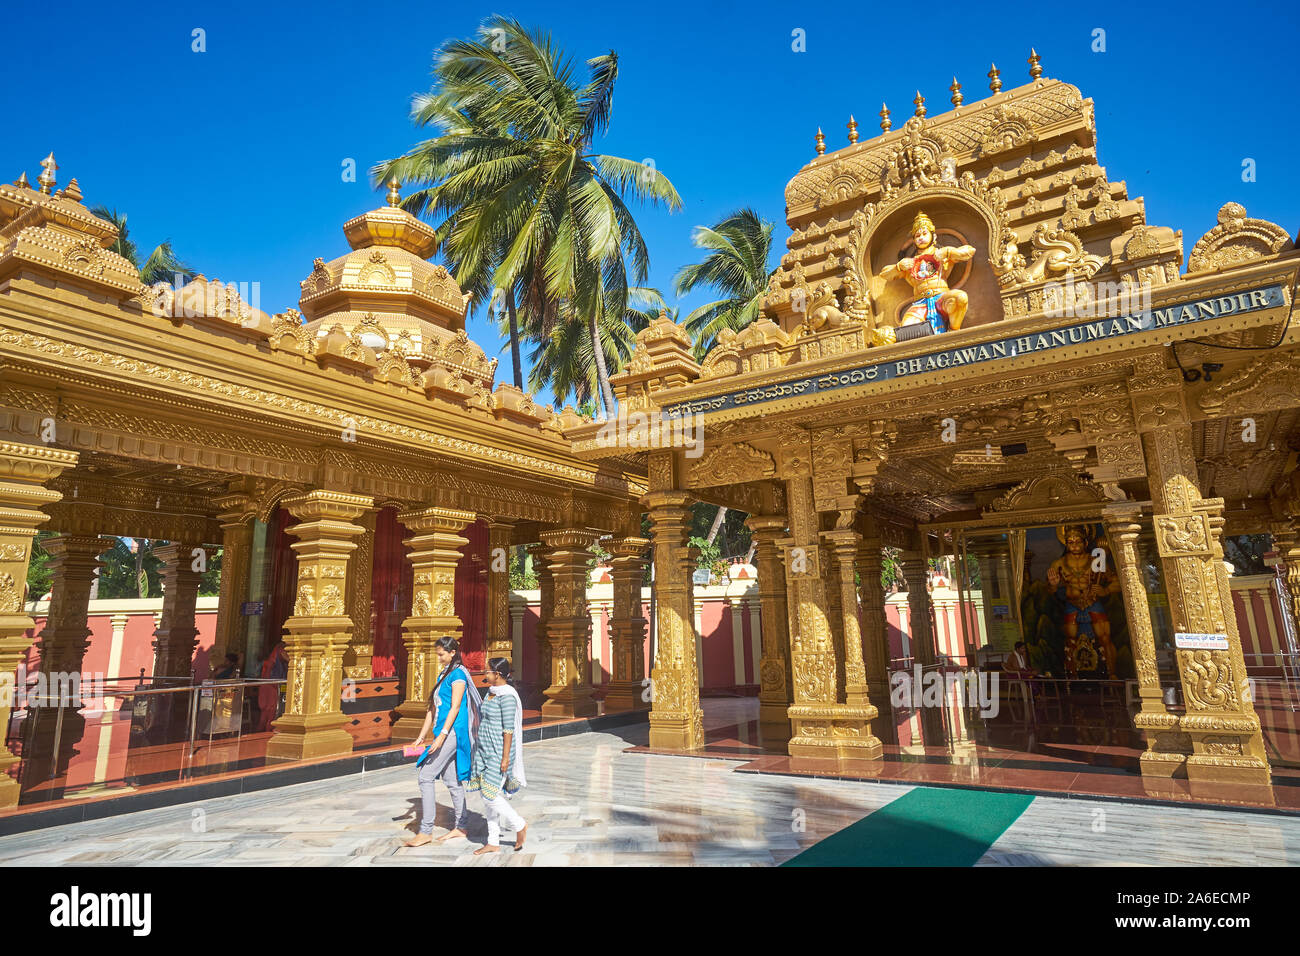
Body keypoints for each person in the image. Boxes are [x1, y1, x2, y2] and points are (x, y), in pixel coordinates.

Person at [404, 636, 482, 847]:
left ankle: (426, 830)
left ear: (452, 652)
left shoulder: (458, 675)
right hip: (443, 731)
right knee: (452, 780)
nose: (438, 658)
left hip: (453, 732)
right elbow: (433, 708)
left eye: (441, 654)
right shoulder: (444, 674)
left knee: (425, 775)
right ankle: (461, 826)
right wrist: (422, 735)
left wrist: (442, 735)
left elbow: (456, 707)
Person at [469, 658, 528, 855]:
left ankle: (519, 824)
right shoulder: (491, 692)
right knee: (486, 798)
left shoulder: (508, 697)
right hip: (484, 749)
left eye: (487, 671)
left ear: (498, 674)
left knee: (490, 794)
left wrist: (505, 758)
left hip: (499, 751)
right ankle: (492, 840)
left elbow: (508, 730)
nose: (485, 674)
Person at [256, 641, 287, 733]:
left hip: (272, 682)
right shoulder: (280, 649)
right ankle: (267, 729)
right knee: (271, 707)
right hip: (271, 683)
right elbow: (288, 658)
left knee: (269, 708)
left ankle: (264, 728)